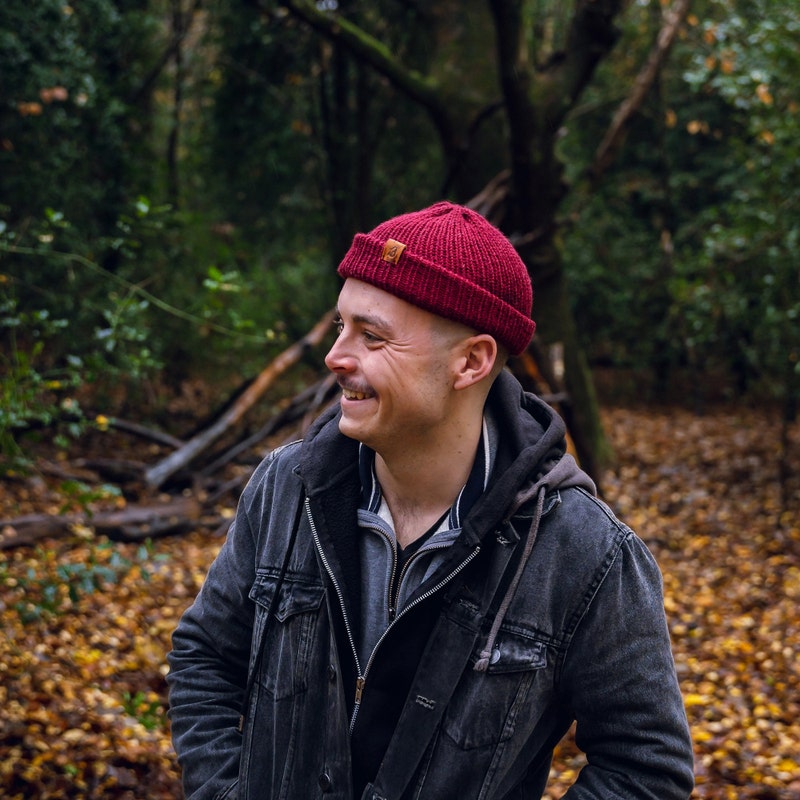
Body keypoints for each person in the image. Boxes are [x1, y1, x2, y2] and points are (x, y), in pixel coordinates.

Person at [167, 201, 694, 800]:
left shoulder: (585, 552)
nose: (336, 356)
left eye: (372, 336)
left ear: (470, 362)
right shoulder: (286, 489)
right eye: (341, 326)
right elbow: (206, 656)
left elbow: (646, 768)